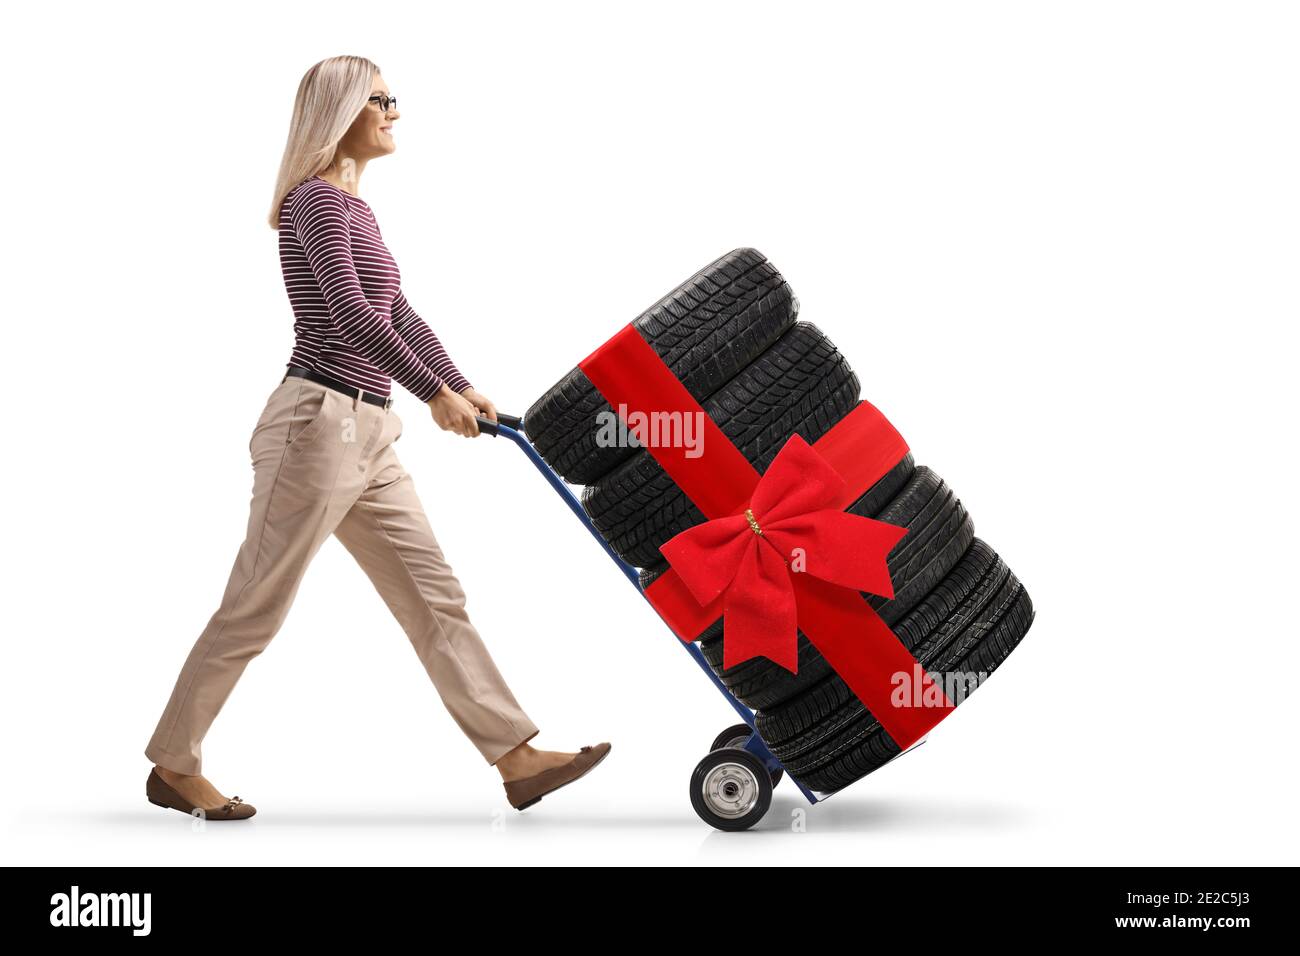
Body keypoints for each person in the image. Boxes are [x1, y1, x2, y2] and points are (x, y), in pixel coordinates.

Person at [143, 55, 610, 819]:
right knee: (256, 605)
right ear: (340, 112)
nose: (395, 111)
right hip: (315, 427)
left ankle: (516, 757)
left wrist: (457, 384)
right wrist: (432, 394)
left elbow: (400, 315)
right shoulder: (316, 205)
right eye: (380, 99)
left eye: (396, 99)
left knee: (435, 596)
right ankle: (173, 763)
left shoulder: (356, 210)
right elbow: (353, 317)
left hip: (369, 435)